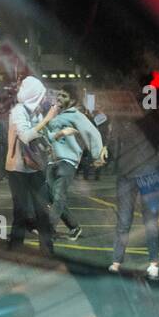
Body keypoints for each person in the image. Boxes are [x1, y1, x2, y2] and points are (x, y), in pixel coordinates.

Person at [107, 80, 159, 281]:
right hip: (135, 172)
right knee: (141, 220)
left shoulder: (143, 113)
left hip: (140, 171)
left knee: (134, 221)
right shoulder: (133, 114)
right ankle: (146, 263)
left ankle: (127, 262)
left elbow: (114, 142)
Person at [5, 76, 60, 255]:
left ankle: (47, 250)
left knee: (42, 209)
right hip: (18, 168)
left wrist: (56, 134)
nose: (44, 98)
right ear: (34, 94)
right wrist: (48, 119)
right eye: (41, 94)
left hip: (35, 166)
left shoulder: (36, 111)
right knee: (21, 211)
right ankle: (15, 249)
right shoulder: (18, 111)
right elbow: (26, 136)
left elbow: (39, 136)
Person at [44, 83, 103, 242]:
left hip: (68, 161)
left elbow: (93, 133)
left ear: (73, 99)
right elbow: (49, 136)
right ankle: (74, 226)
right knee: (50, 196)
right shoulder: (56, 114)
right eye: (59, 95)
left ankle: (48, 229)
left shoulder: (77, 115)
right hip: (52, 161)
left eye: (64, 96)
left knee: (58, 196)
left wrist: (97, 155)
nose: (59, 98)